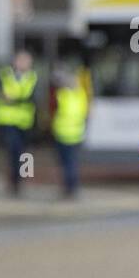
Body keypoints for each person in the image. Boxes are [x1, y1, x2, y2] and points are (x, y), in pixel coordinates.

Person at [0, 50, 38, 197]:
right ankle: (15, 181)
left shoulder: (32, 77)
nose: (24, 63)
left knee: (25, 153)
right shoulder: (4, 75)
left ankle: (22, 180)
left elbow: (33, 98)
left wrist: (14, 99)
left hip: (25, 122)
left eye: (27, 61)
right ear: (15, 61)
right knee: (13, 150)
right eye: (21, 60)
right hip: (7, 121)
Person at [50, 65, 90, 199]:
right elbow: (86, 113)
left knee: (66, 162)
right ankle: (72, 187)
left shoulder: (61, 95)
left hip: (62, 133)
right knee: (72, 162)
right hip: (77, 133)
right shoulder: (81, 95)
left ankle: (69, 188)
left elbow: (53, 112)